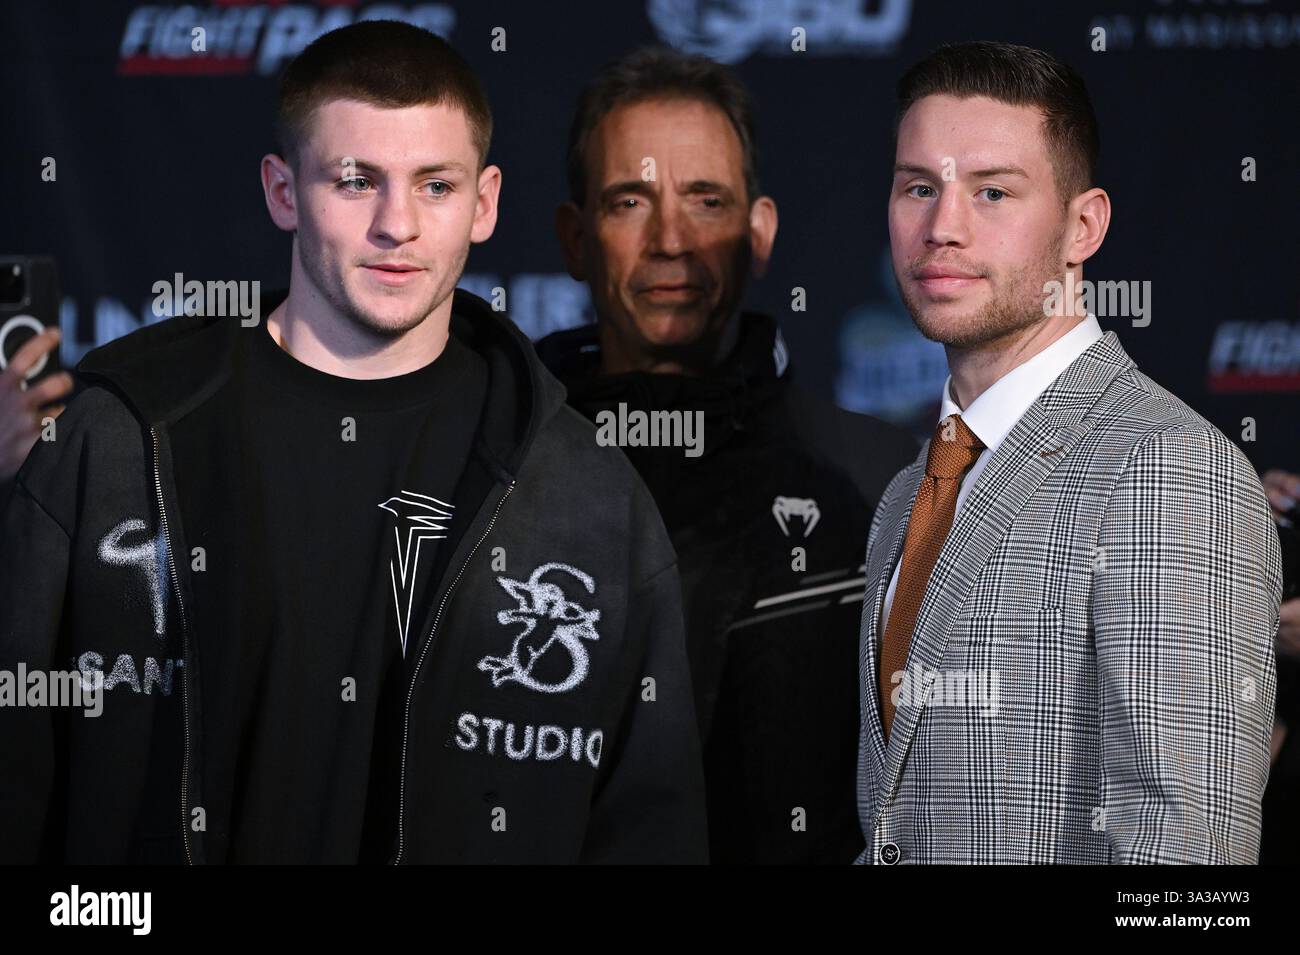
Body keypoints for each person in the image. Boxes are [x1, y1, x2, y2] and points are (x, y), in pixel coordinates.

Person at [0, 20, 706, 864]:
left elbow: (648, 829)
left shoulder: (588, 496)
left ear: (484, 204)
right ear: (282, 190)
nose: (395, 224)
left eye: (434, 186)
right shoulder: (122, 433)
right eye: (354, 180)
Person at [857, 41, 1280, 864]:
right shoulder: (911, 490)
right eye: (919, 187)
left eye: (992, 191)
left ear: (1082, 225)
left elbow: (1185, 866)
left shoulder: (1166, 469)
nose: (943, 226)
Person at [538, 47, 917, 864]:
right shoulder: (492, 474)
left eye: (705, 200)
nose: (671, 240)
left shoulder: (883, 479)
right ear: (575, 238)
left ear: (760, 233)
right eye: (629, 201)